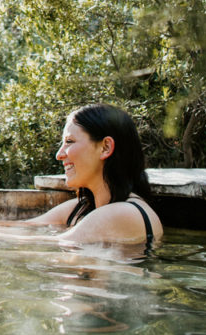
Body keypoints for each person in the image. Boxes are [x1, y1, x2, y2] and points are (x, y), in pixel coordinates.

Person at [23, 103, 162, 248]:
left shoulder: (123, 213)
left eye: (69, 142)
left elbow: (33, 242)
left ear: (105, 147)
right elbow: (21, 227)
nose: (59, 155)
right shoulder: (82, 208)